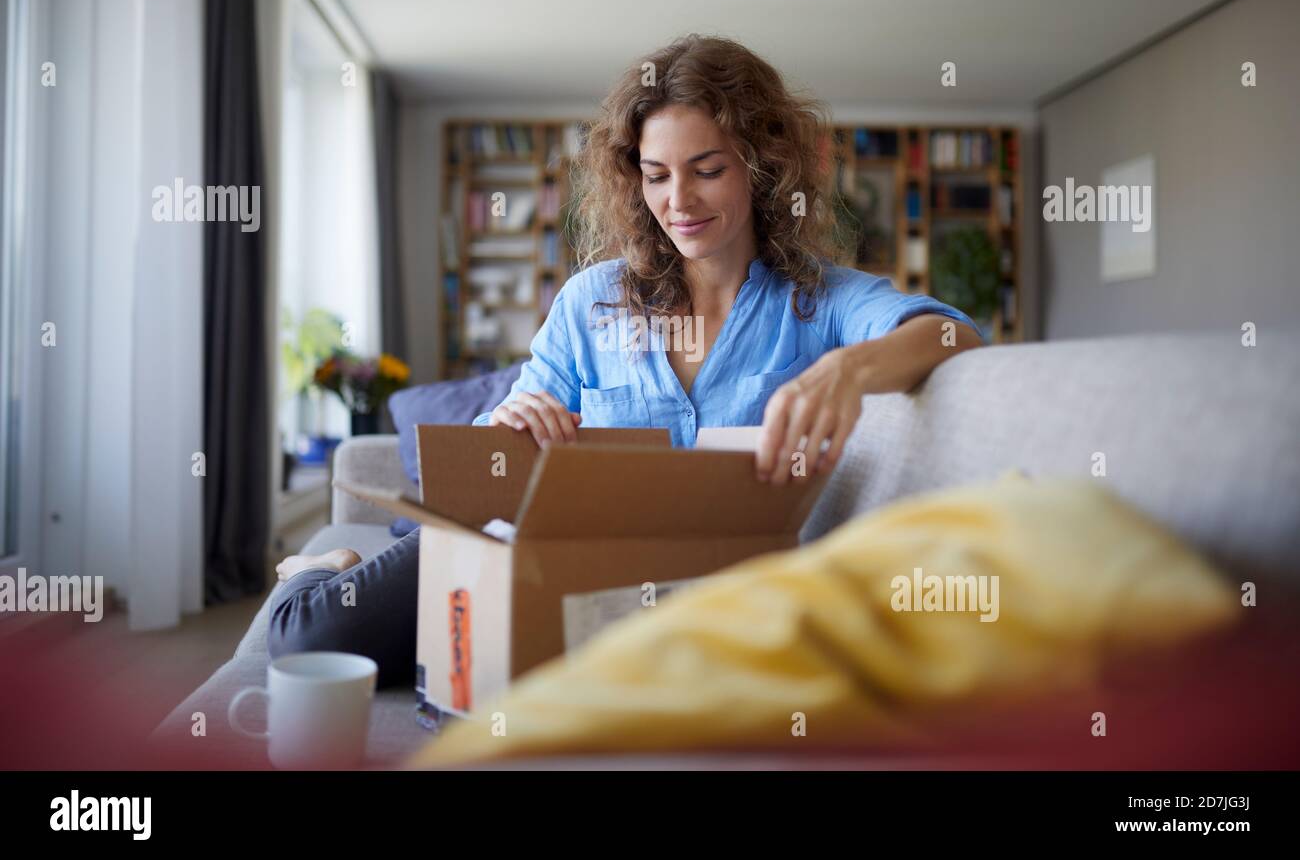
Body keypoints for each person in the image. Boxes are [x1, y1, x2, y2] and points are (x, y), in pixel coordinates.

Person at [269, 34, 982, 686]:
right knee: (313, 635)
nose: (680, 202)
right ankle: (322, 565)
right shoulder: (593, 302)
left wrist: (847, 370)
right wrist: (511, 420)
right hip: (549, 553)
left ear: (761, 169)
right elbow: (490, 454)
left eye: (707, 170)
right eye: (657, 175)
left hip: (696, 591)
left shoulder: (819, 301)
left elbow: (953, 337)